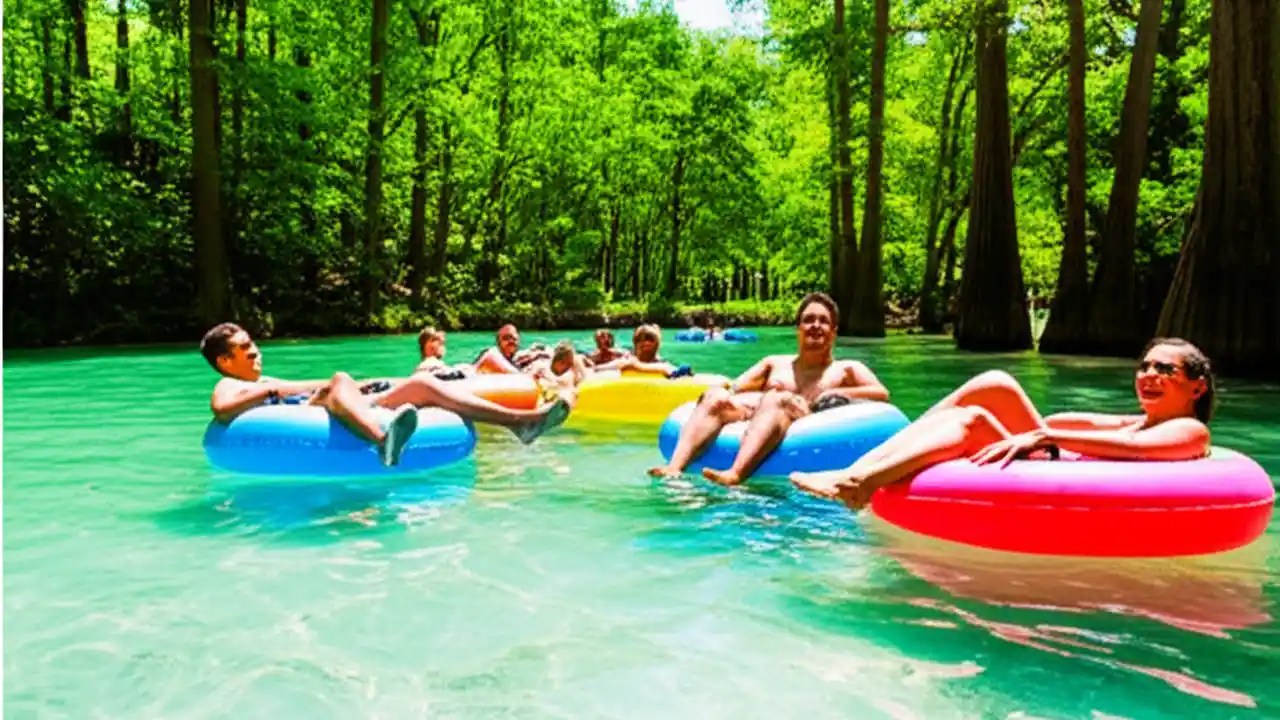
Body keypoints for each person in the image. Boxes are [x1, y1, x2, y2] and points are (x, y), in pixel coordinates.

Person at [792, 337, 1215, 510]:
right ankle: (857, 470)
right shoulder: (1140, 420)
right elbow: (1061, 420)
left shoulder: (1191, 430)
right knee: (994, 384)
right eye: (1144, 366)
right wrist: (1050, 430)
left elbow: (1135, 451)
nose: (1148, 375)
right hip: (1059, 467)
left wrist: (1044, 435)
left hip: (1066, 487)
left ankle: (862, 483)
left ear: (1196, 388)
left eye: (1165, 369)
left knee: (973, 421)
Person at [201, 323, 574, 465]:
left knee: (423, 386)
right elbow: (222, 409)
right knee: (339, 379)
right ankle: (383, 442)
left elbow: (302, 387)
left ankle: (521, 422)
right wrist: (269, 390)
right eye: (245, 348)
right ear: (224, 361)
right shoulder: (230, 384)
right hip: (310, 415)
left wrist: (370, 384)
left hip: (329, 404)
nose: (255, 351)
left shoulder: (269, 379)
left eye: (253, 344)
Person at [648, 292, 890, 485]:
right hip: (760, 415)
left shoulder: (847, 369)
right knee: (716, 396)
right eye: (808, 320)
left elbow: (881, 393)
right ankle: (674, 468)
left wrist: (834, 394)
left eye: (823, 321)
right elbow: (735, 387)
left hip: (803, 419)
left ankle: (735, 473)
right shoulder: (774, 363)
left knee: (777, 398)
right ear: (798, 329)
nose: (815, 326)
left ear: (834, 332)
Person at [596, 324, 678, 377]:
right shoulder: (625, 361)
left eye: (650, 339)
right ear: (635, 344)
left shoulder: (663, 364)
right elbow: (596, 369)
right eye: (640, 340)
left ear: (657, 343)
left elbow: (672, 371)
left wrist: (638, 366)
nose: (646, 342)